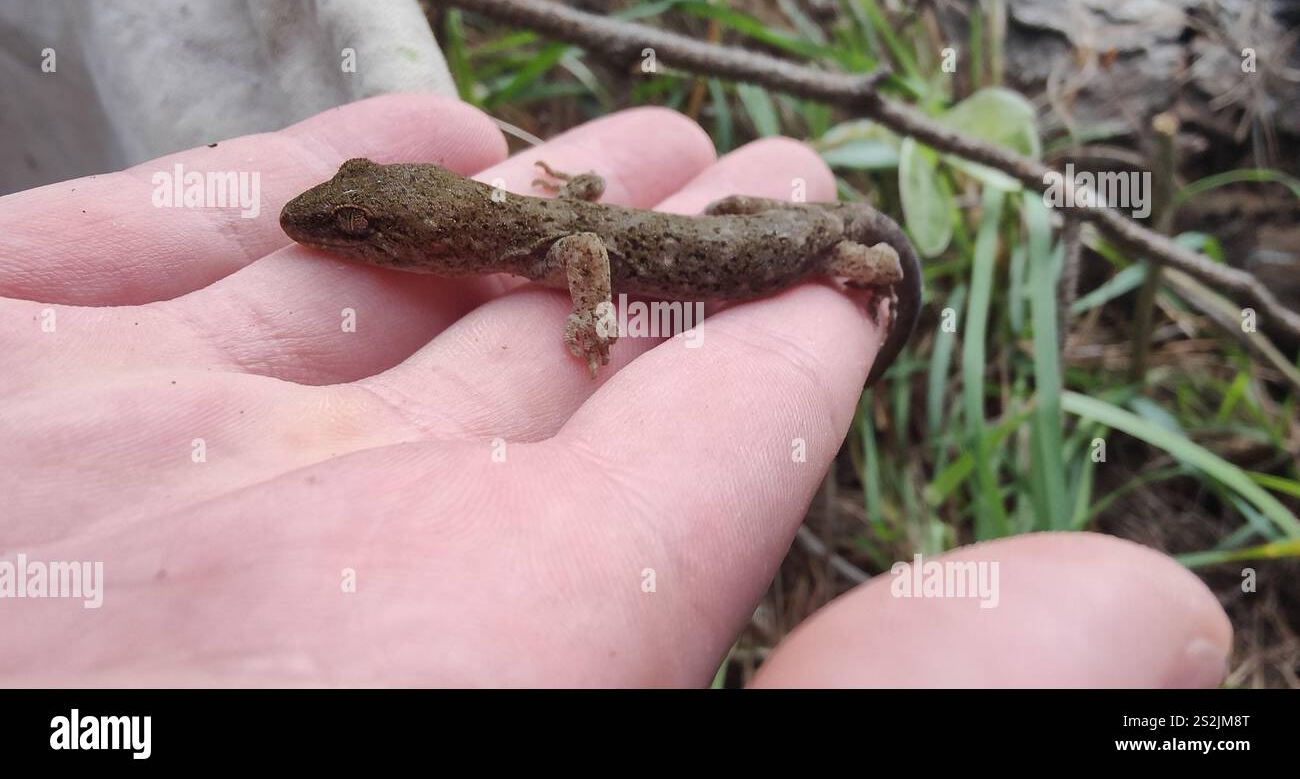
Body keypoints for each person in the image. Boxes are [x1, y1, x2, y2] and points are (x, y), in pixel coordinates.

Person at [0, 94, 1230, 687]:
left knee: (831, 247)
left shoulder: (541, 240)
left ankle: (860, 260)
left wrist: (592, 316)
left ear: (429, 237)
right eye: (363, 221)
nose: (344, 234)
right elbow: (572, 226)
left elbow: (585, 247)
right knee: (764, 214)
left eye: (366, 225)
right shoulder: (514, 231)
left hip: (783, 248)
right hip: (716, 229)